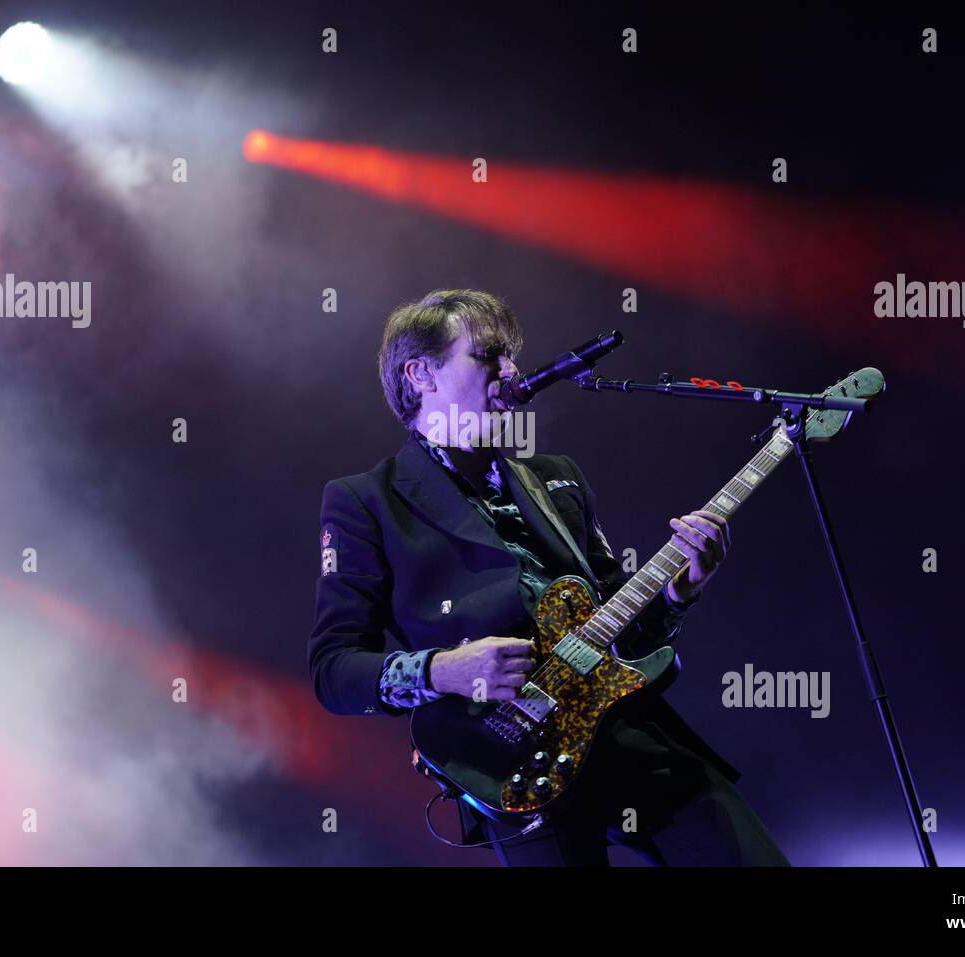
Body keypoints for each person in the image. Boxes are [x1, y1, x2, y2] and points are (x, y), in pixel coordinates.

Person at [309, 289, 788, 866]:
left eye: (510, 355)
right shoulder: (366, 501)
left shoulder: (556, 477)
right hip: (509, 755)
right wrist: (445, 669)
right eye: (488, 355)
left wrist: (677, 592)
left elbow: (626, 629)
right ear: (421, 374)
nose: (511, 371)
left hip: (626, 732)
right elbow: (334, 671)